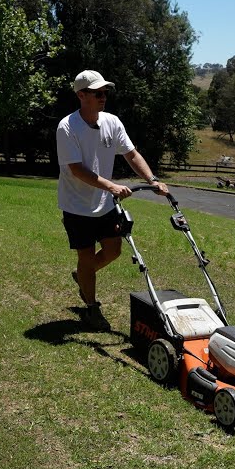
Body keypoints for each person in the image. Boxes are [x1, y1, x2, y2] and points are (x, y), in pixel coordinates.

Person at [56, 69, 169, 330]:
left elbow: (131, 154)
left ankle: (83, 276)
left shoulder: (112, 122)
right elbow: (76, 168)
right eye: (97, 93)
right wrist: (112, 186)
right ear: (81, 95)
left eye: (104, 92)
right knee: (85, 256)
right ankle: (91, 307)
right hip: (77, 205)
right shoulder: (67, 127)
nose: (103, 97)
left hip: (104, 204)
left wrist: (152, 180)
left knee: (113, 251)